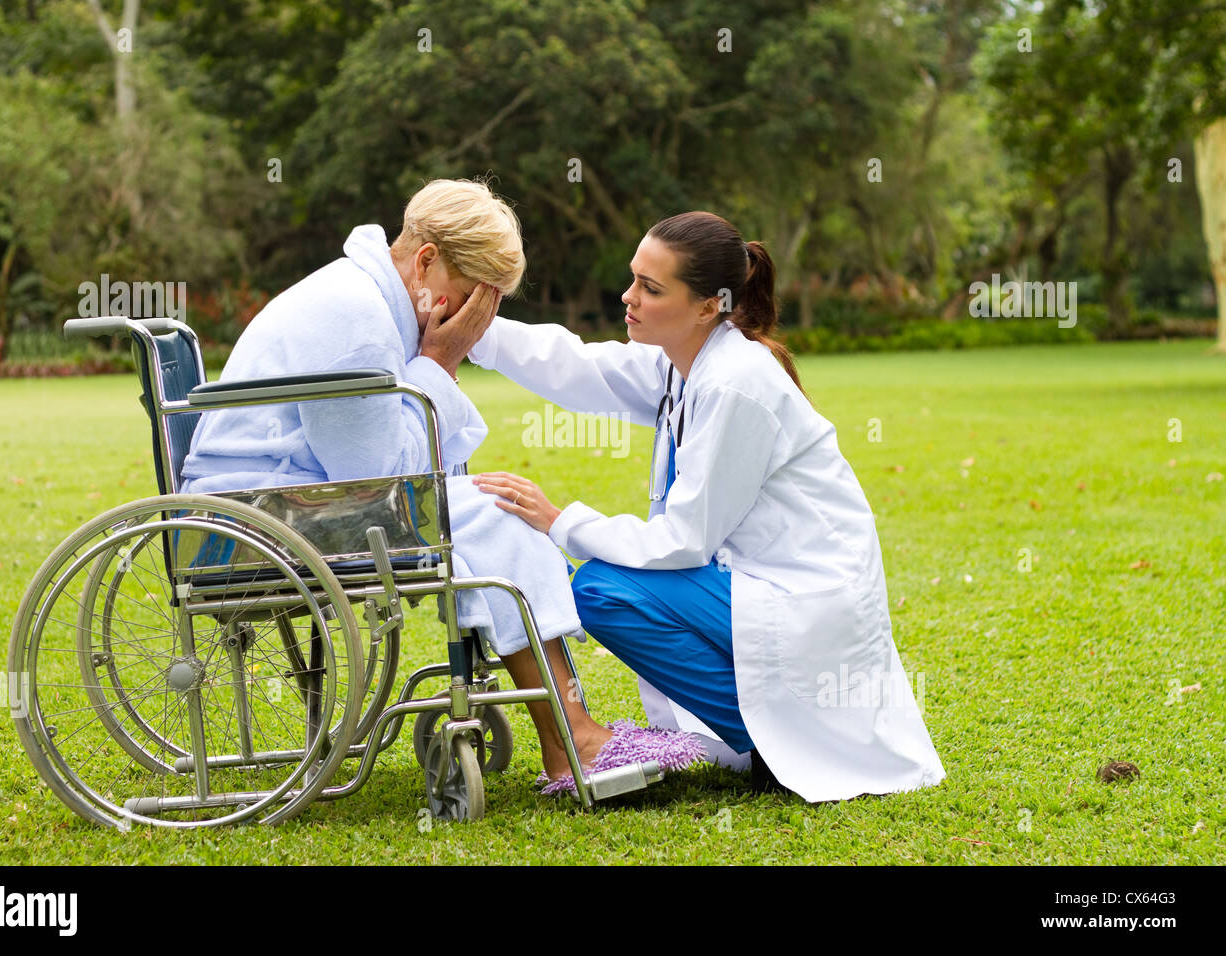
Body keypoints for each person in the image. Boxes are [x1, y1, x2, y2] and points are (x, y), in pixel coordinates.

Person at [179, 179, 700, 785]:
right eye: (471, 299)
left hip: (283, 499)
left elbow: (400, 459)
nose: (471, 320)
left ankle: (572, 732)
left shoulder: (372, 298)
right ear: (426, 260)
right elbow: (380, 478)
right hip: (255, 521)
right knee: (501, 512)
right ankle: (573, 739)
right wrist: (442, 361)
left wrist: (434, 362)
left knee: (495, 505)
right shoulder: (357, 315)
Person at [471, 211, 947, 801]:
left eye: (651, 287)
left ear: (706, 306)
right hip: (754, 581)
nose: (629, 297)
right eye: (633, 279)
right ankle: (768, 733)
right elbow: (579, 365)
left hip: (805, 591)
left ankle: (778, 736)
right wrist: (475, 333)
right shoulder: (681, 361)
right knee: (603, 587)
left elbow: (684, 540)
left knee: (599, 590)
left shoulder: (734, 381)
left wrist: (560, 519)